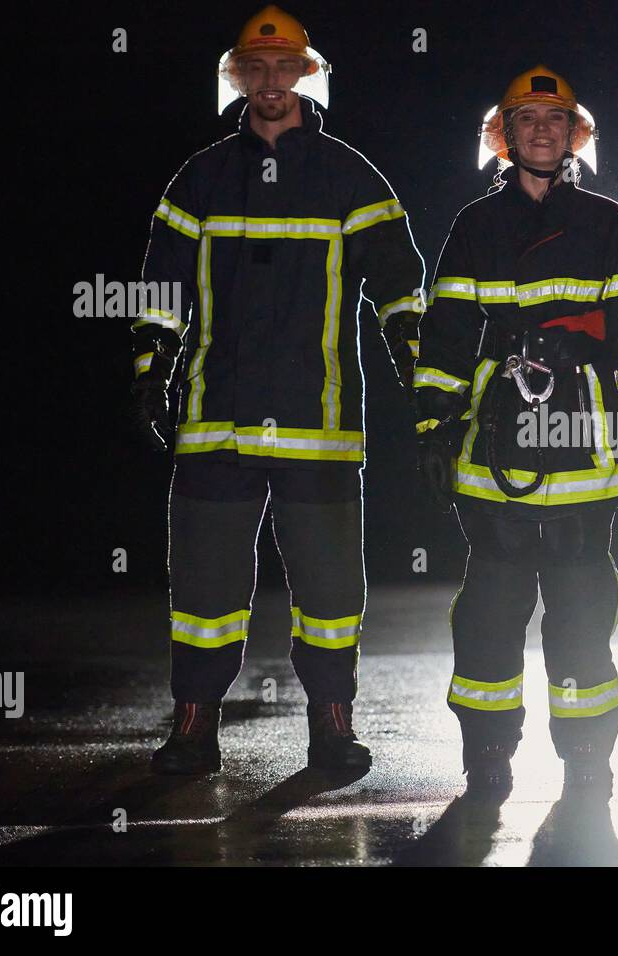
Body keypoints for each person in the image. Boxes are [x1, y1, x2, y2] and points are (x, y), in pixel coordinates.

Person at [128, 5, 425, 777]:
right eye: (254, 69)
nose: (269, 80)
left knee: (329, 595)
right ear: (239, 79)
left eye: (281, 66)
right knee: (202, 593)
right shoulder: (201, 176)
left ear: (304, 72)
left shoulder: (349, 174)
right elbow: (161, 283)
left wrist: (417, 369)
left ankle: (332, 727)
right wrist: (148, 368)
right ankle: (193, 729)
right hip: (213, 420)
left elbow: (398, 284)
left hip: (316, 425)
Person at [414, 66, 618, 795]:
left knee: (583, 600)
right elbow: (449, 334)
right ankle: (487, 749)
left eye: (553, 119)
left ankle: (587, 749)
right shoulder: (475, 227)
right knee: (492, 601)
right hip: (496, 433)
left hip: (583, 433)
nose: (540, 130)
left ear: (573, 135)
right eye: (525, 118)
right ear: (505, 135)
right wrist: (434, 427)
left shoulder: (608, 224)